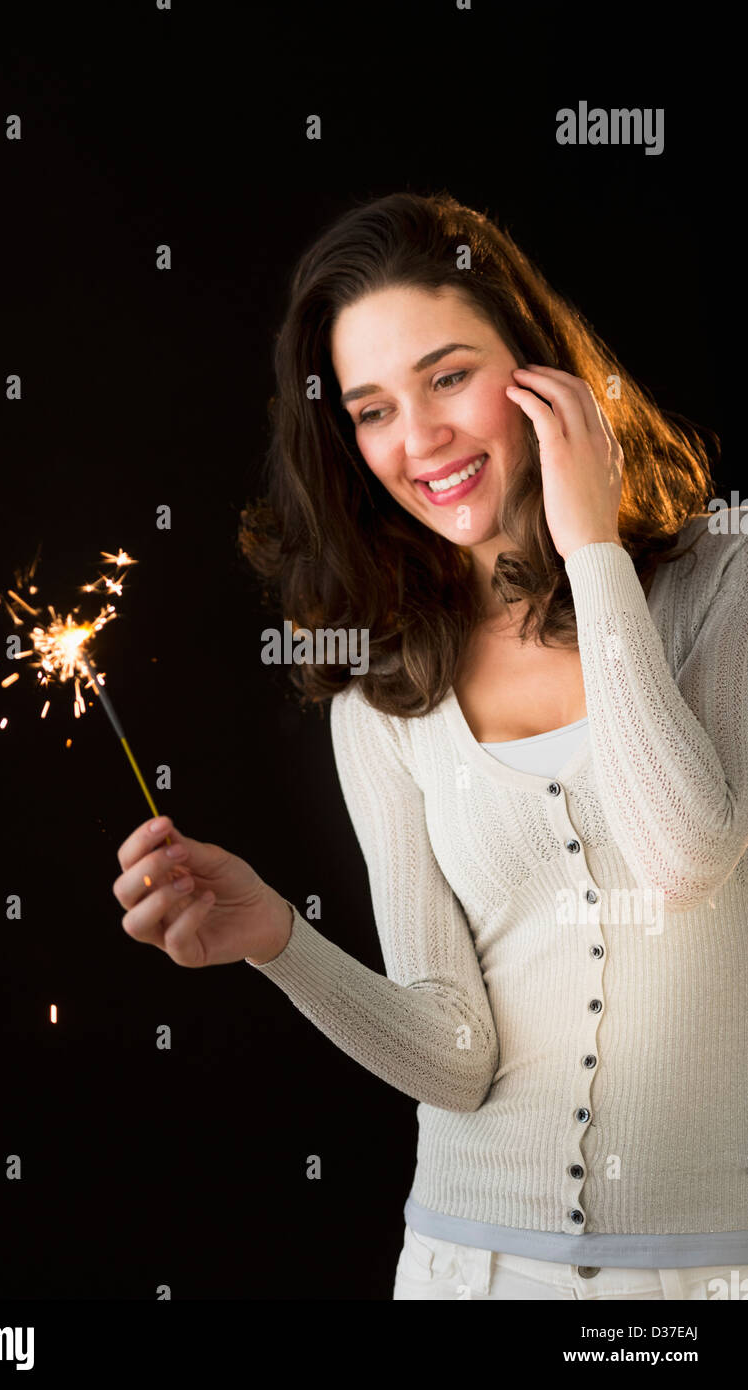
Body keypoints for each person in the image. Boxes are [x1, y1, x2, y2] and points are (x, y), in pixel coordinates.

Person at [112, 191, 748, 1300]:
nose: (418, 441)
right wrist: (279, 940)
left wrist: (589, 546)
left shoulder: (721, 586)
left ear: (540, 367)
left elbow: (687, 854)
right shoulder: (385, 694)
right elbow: (456, 1055)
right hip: (469, 1268)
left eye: (449, 376)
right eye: (370, 410)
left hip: (704, 1274)